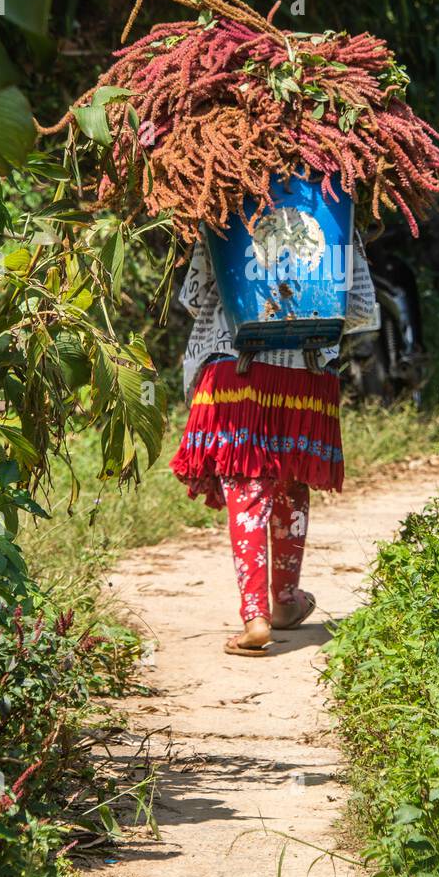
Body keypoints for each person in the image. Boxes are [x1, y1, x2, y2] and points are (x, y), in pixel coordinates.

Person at [169, 225, 377, 656]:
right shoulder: (337, 213)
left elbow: (192, 298)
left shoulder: (223, 207)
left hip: (236, 367)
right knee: (291, 477)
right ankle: (284, 600)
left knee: (247, 484)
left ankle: (255, 618)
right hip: (307, 372)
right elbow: (358, 308)